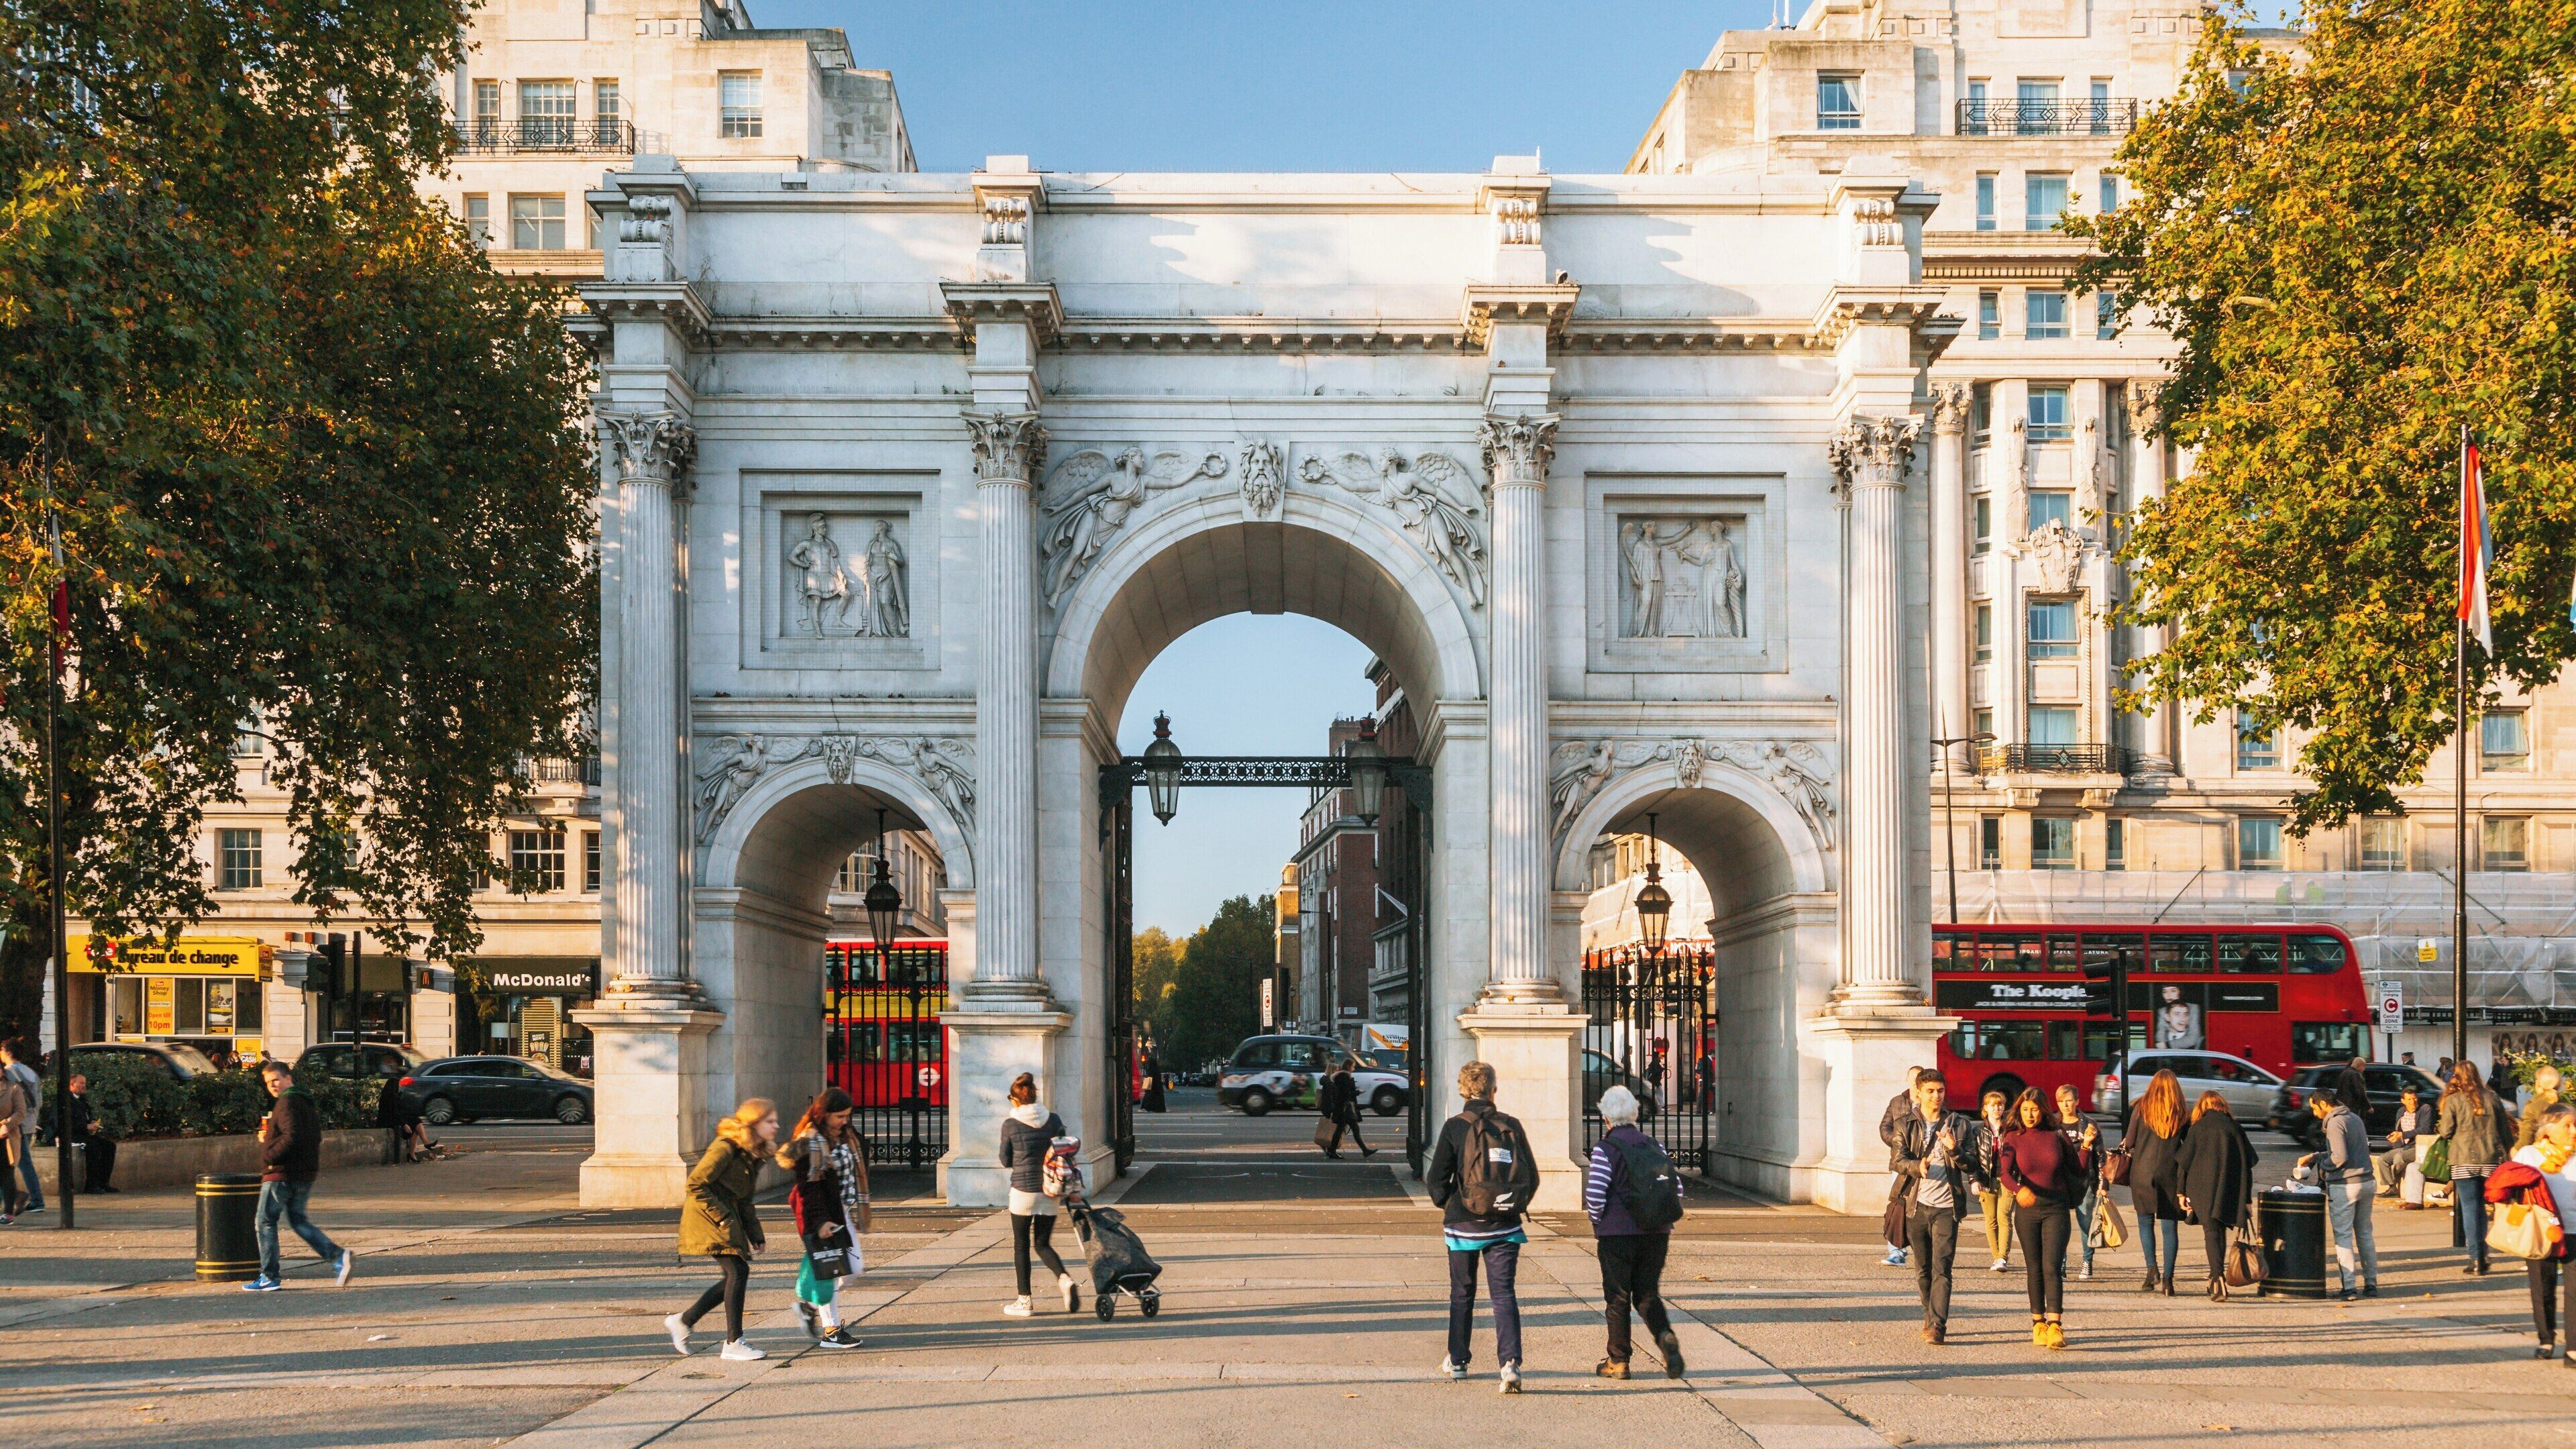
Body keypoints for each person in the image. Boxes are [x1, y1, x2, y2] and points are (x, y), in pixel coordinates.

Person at [1426, 1060, 1539, 1393]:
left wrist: (1451, 1203)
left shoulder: (1455, 1126)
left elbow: (1436, 1181)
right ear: (1493, 1091)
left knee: (1462, 1293)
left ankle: (1458, 1360)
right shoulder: (1512, 1125)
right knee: (1503, 1293)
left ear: (1463, 1090)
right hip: (1504, 1224)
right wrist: (1512, 1204)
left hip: (1463, 1223)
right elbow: (1531, 1176)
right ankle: (1510, 1364)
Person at [1585, 1085, 1682, 1381]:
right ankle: (1664, 1336)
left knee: (1617, 1296)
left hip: (1618, 1234)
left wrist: (1598, 1222)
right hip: (1657, 1232)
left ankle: (1618, 1361)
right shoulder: (1654, 1146)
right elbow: (1676, 1188)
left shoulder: (1606, 1149)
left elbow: (1595, 1194)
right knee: (1647, 1293)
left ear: (1606, 1118)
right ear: (1635, 1114)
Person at [666, 1097, 775, 1359]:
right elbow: (695, 1184)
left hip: (727, 1217)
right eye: (770, 1121)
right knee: (738, 1271)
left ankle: (684, 1321)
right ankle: (733, 1343)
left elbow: (745, 1198)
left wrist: (755, 1233)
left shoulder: (752, 1153)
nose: (776, 1126)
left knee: (733, 1275)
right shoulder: (726, 1147)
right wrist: (723, 1217)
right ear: (753, 1123)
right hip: (709, 1218)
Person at [244, 1059, 354, 1292]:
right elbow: (310, 1136)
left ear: (288, 1078)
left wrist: (269, 1153)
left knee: (264, 1221)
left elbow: (292, 1136)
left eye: (276, 1080)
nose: (272, 1086)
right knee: (298, 1221)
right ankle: (337, 1256)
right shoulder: (304, 1102)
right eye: (268, 1082)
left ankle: (269, 1276)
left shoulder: (287, 1102)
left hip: (281, 1173)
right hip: (303, 1172)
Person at [1999, 1087, 2096, 1348]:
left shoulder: (2056, 1134)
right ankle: (2038, 1323)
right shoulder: (2013, 1137)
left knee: (2052, 1266)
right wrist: (2019, 1191)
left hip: (2056, 1209)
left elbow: (2076, 1168)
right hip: (2027, 1211)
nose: (2030, 1115)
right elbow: (2005, 1174)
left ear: (2043, 1111)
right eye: (2025, 1110)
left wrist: (2086, 1146)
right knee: (2034, 1268)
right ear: (2019, 1111)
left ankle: (2056, 1326)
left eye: (2035, 1110)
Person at [1888, 1069, 1979, 1344]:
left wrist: (1955, 1151)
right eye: (1930, 1091)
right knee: (1923, 1268)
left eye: (1940, 1091)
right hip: (1916, 1205)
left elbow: (1973, 1164)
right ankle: (1929, 1313)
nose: (1936, 1096)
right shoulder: (1906, 1124)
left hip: (1946, 1207)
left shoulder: (1960, 1125)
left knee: (1943, 1267)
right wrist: (1918, 1166)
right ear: (1919, 1092)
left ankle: (1938, 1325)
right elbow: (1898, 1161)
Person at [778, 1087, 868, 1348]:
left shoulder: (844, 1135)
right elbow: (810, 1189)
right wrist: (820, 1223)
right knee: (831, 1269)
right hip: (824, 1214)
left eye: (847, 1116)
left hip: (843, 1210)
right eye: (839, 1116)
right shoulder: (811, 1142)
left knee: (852, 1268)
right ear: (824, 1113)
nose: (844, 1121)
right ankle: (831, 1330)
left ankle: (808, 1304)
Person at [2497, 1103, 2576, 1362]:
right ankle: (2546, 1339)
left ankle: (2573, 1347)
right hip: (2539, 1231)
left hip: (2574, 1230)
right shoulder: (2529, 1155)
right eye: (2567, 1125)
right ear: (2548, 1129)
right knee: (2542, 1287)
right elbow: (2507, 1186)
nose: (2574, 1130)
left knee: (2575, 1292)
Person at [997, 1071, 1079, 1318]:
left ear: (1015, 1099)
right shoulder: (1053, 1120)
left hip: (1022, 1191)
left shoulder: (1010, 1124)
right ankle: (1064, 1279)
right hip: (1050, 1190)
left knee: (1021, 1245)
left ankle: (1025, 1301)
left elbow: (1005, 1159)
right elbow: (1065, 1151)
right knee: (1042, 1244)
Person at [2175, 1090, 2259, 1301]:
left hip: (2201, 1188)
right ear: (2223, 1106)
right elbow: (2248, 1164)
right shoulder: (2235, 1128)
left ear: (2202, 1108)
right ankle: (2215, 1276)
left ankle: (2217, 1278)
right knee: (2219, 1230)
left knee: (2211, 1232)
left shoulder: (2198, 1128)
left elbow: (2184, 1164)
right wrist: (2247, 1199)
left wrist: (2181, 1192)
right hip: (2230, 1188)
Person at [2436, 1059, 2516, 1275]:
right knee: (2482, 1208)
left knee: (2470, 1209)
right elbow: (2505, 1130)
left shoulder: (2454, 1100)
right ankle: (2484, 1252)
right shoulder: (2492, 1097)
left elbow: (2445, 1132)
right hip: (2491, 1158)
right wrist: (2509, 1153)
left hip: (2463, 1160)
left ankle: (2476, 1257)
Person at [2300, 1089, 2379, 1300]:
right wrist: (2316, 1157)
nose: (2314, 1112)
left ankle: (2350, 1287)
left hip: (2345, 1185)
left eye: (2315, 1107)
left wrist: (2324, 1167)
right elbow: (2351, 1150)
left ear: (2324, 1104)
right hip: (2367, 1181)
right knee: (2364, 1234)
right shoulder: (2354, 1118)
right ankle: (2371, 1284)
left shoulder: (2334, 1123)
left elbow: (2340, 1157)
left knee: (2343, 1236)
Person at [2125, 1068, 2188, 1295]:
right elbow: (2188, 1147)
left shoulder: (2141, 1108)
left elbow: (2130, 1142)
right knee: (2169, 1228)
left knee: (2145, 1223)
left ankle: (2151, 1270)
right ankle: (2169, 1281)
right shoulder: (2181, 1112)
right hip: (2170, 1174)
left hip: (2142, 1173)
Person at [1878, 1066, 1927, 1269]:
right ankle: (1896, 1252)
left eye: (1920, 1079)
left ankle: (1924, 1249)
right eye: (1913, 1079)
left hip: (1925, 1164)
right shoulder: (1897, 1102)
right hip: (1901, 1163)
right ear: (1907, 1080)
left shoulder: (1931, 1101)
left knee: (1923, 1207)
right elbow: (1884, 1128)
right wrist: (1898, 1142)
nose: (1916, 1083)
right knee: (1898, 1206)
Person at [2053, 1083, 2102, 1282]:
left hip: (2084, 1180)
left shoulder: (2089, 1124)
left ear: (2077, 1101)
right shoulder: (2053, 1124)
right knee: (2059, 1225)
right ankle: (2061, 1264)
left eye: (2069, 1100)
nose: (2065, 1105)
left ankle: (2087, 1262)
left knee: (2085, 1223)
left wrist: (2102, 1185)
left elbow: (2101, 1156)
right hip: (2060, 1181)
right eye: (2061, 1101)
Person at [1974, 1089, 2015, 1273]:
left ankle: (2002, 1258)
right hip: (1987, 1179)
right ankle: (1995, 1256)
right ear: (1985, 1108)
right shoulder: (1978, 1131)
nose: (1997, 1108)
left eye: (2000, 1105)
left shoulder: (2011, 1128)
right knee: (1991, 1219)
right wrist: (1974, 1179)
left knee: (2003, 1216)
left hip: (2007, 1177)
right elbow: (1973, 1157)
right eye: (1992, 1105)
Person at [51, 1074, 114, 1193]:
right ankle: (91, 1185)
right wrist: (85, 1126)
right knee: (93, 1147)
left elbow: (87, 1116)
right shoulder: (63, 1100)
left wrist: (92, 1124)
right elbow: (62, 1123)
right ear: (72, 1084)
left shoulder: (83, 1100)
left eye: (84, 1083)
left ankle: (104, 1182)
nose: (83, 1086)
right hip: (70, 1136)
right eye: (81, 1083)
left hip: (83, 1133)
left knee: (109, 1146)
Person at [1, 1041, 42, 1216]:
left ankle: (32, 1199)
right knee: (22, 1162)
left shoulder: (10, 1073)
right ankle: (33, 1199)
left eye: (1, 1050)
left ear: (8, 1052)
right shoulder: (30, 1072)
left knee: (10, 1165)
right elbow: (38, 1099)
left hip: (13, 1125)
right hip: (29, 1121)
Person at [2377, 1085, 2435, 1201]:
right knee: (2382, 1159)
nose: (2413, 1102)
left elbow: (2425, 1129)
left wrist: (2403, 1135)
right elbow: (2399, 1130)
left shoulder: (2425, 1109)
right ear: (2403, 1101)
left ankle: (2393, 1179)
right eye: (2409, 1100)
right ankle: (2392, 1188)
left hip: (2418, 1147)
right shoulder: (2401, 1111)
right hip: (2404, 1146)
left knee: (2400, 1158)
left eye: (2414, 1099)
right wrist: (2396, 1138)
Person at [1318, 1060, 1375, 1159]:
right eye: (1353, 1066)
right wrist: (1357, 1092)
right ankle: (1364, 1150)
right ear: (1348, 1066)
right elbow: (1346, 1094)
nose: (1354, 1068)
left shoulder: (1341, 1076)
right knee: (1352, 1129)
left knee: (1342, 1130)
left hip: (1343, 1108)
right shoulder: (1344, 1077)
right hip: (1346, 1108)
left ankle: (1333, 1151)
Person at [0, 1053, 25, 1225]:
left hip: (6, 1138)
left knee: (6, 1175)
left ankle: (8, 1213)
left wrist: (6, 1124)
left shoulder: (13, 1089)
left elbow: (21, 1112)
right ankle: (19, 1196)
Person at [2516, 1065, 2563, 1150]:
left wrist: (2514, 1151)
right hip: (2563, 1153)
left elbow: (2526, 1139)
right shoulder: (2566, 1106)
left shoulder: (2533, 1107)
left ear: (2538, 1083)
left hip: (2540, 1154)